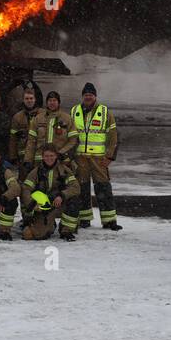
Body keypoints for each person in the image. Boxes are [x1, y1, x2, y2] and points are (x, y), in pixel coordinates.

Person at [70, 81, 121, 231]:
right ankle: (84, 219)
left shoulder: (105, 113)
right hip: (80, 158)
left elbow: (114, 137)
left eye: (91, 95)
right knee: (82, 189)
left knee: (103, 188)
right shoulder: (74, 111)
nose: (88, 97)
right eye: (86, 95)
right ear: (82, 96)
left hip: (99, 159)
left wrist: (110, 157)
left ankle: (109, 220)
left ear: (95, 96)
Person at [21, 145, 82, 241]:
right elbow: (25, 189)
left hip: (59, 203)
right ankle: (49, 225)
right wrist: (33, 205)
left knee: (74, 200)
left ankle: (66, 230)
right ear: (42, 157)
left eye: (52, 156)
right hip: (43, 207)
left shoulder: (64, 170)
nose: (49, 158)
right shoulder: (36, 172)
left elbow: (75, 187)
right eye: (46, 156)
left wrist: (62, 195)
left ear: (56, 156)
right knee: (32, 235)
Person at [26, 89, 76, 163]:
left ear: (59, 102)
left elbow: (73, 140)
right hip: (40, 161)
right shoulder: (38, 119)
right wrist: (28, 160)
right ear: (46, 103)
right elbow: (31, 142)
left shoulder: (67, 119)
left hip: (60, 161)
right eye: (50, 101)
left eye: (54, 100)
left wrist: (62, 153)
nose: (52, 103)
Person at [8, 85, 42, 180]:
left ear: (35, 100)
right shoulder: (17, 117)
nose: (29, 100)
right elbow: (13, 139)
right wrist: (13, 156)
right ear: (23, 100)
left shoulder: (43, 115)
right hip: (23, 157)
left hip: (38, 155)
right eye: (26, 98)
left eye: (31, 98)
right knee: (24, 181)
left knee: (38, 180)